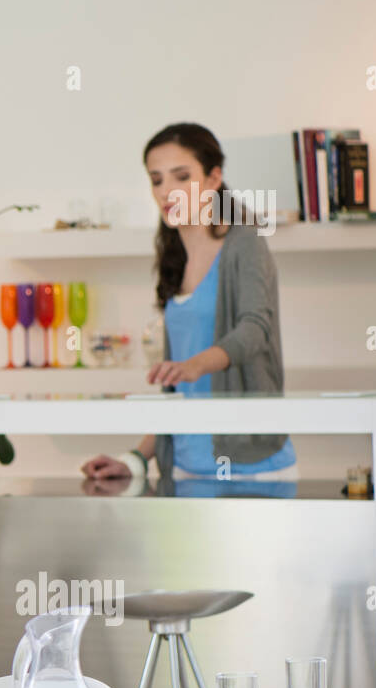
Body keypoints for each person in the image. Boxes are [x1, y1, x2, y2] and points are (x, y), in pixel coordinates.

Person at [82, 122, 296, 492]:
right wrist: (135, 458)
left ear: (213, 179)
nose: (167, 191)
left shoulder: (244, 242)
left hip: (250, 469)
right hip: (182, 470)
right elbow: (180, 393)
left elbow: (254, 330)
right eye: (156, 180)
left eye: (181, 177)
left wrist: (194, 365)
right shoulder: (173, 256)